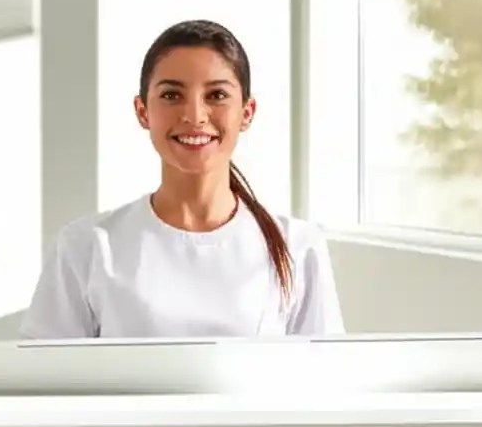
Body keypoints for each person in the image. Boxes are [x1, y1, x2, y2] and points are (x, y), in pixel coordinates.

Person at [19, 19, 345, 339]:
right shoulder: (86, 247)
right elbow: (42, 382)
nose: (194, 116)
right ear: (142, 111)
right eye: (172, 96)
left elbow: (326, 381)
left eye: (216, 95)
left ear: (247, 112)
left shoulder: (298, 247)